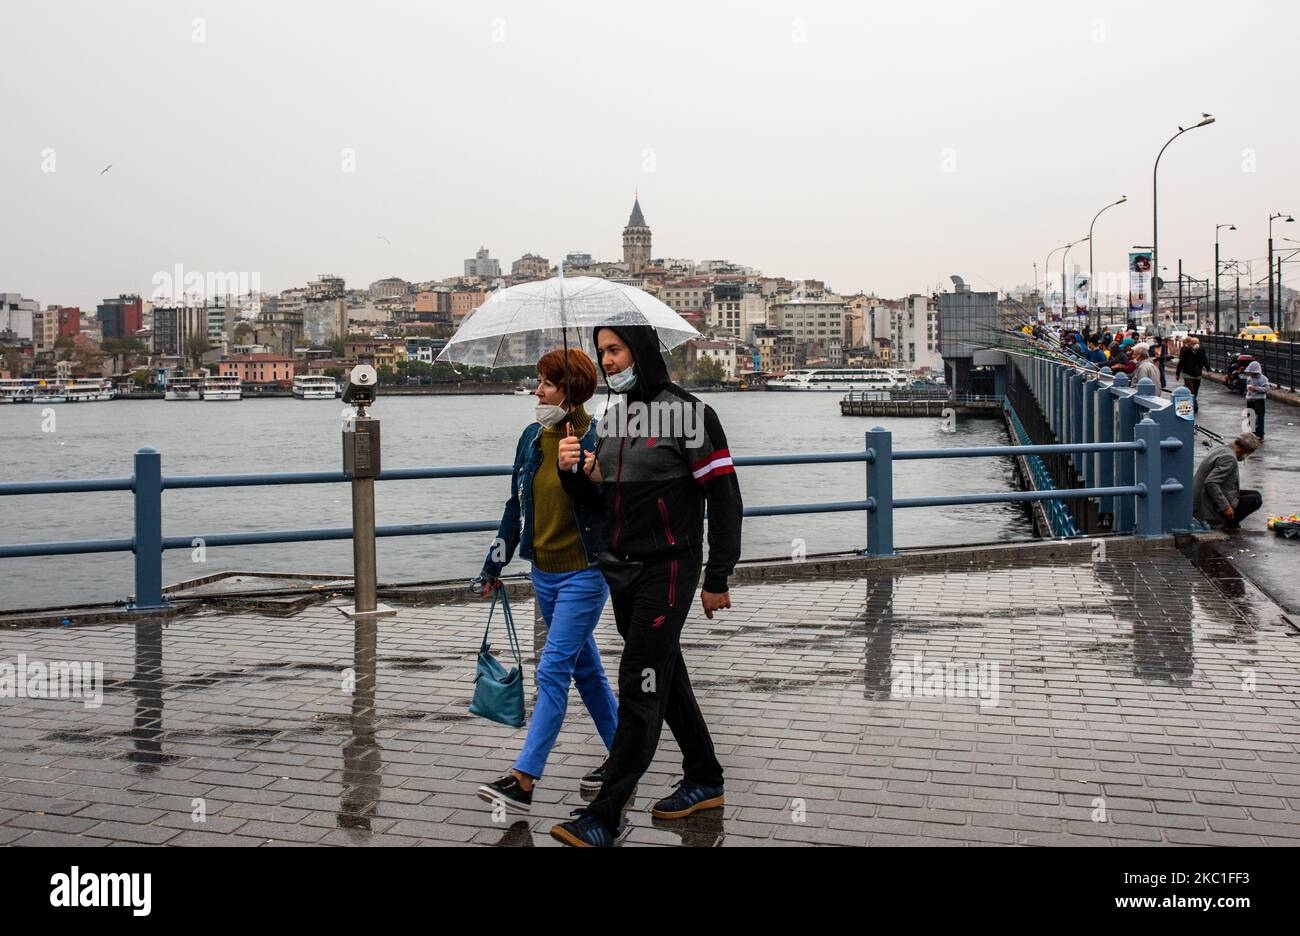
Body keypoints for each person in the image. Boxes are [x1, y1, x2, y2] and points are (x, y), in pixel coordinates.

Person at [549, 324, 743, 847]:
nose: (606, 361)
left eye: (614, 350)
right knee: (666, 676)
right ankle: (705, 777)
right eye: (601, 352)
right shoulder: (615, 419)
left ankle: (604, 815)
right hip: (622, 570)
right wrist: (575, 472)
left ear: (641, 351)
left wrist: (718, 574)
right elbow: (601, 503)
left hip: (670, 567)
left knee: (640, 681)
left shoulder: (691, 414)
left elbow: (725, 497)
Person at [473, 348, 619, 814]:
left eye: (546, 383)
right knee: (585, 669)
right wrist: (494, 565)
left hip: (585, 573)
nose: (537, 391)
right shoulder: (532, 439)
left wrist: (585, 470)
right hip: (544, 573)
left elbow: (613, 507)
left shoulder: (600, 437)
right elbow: (515, 505)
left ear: (571, 390)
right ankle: (625, 753)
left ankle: (524, 778)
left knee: (553, 669)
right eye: (538, 382)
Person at [1193, 432, 1262, 531]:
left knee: (1255, 494)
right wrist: (1226, 507)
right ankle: (1229, 524)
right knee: (1256, 500)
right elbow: (1211, 483)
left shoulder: (1221, 449)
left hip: (1202, 496)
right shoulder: (1229, 458)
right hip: (1206, 504)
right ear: (1246, 450)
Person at [1175, 335, 1209, 412]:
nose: (1196, 344)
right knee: (1191, 390)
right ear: (1190, 343)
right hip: (1187, 373)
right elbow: (1181, 362)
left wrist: (1208, 370)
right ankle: (1192, 405)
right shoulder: (1185, 351)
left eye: (1197, 343)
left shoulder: (1201, 350)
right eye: (1194, 343)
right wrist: (1177, 373)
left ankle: (1194, 401)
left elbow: (1205, 360)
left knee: (1195, 391)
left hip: (1197, 374)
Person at [1244, 360, 1269, 442]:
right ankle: (1253, 434)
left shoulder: (1263, 379)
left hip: (1259, 400)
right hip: (1250, 400)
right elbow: (1248, 389)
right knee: (1250, 417)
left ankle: (1260, 435)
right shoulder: (1249, 379)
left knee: (1260, 418)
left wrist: (1256, 389)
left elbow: (1266, 389)